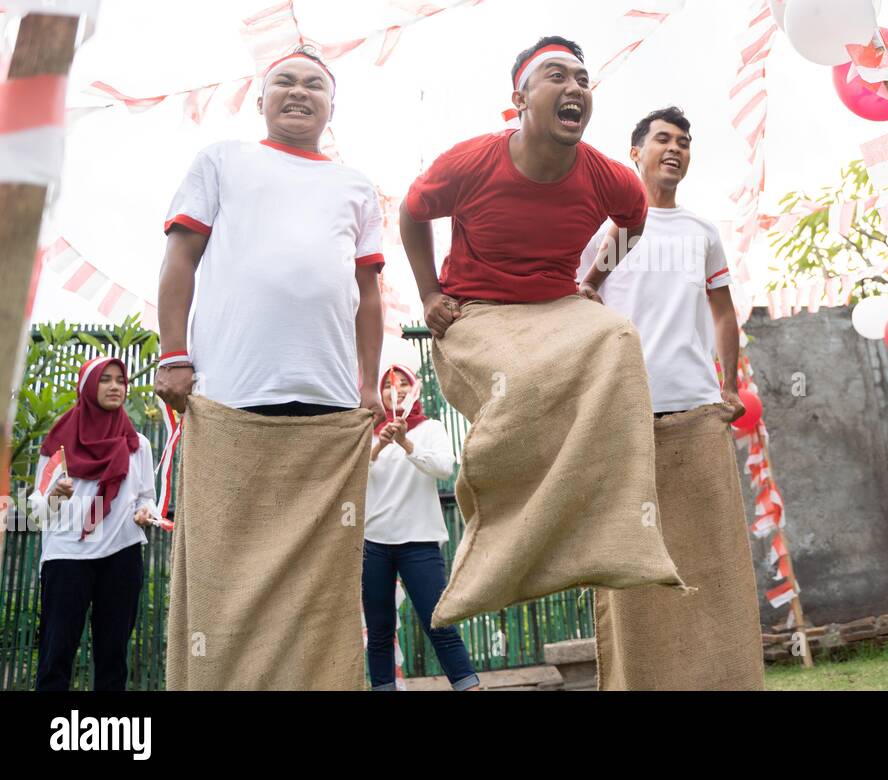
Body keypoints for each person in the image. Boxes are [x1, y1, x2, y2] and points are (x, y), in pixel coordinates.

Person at [398, 35, 683, 629]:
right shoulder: (471, 161)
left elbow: (633, 223)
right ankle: (501, 546)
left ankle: (608, 529)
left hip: (557, 303)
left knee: (618, 340)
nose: (575, 88)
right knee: (520, 383)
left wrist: (595, 281)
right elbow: (412, 212)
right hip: (475, 309)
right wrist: (429, 294)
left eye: (583, 80)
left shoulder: (611, 179)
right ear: (520, 98)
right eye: (557, 76)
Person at [154, 46, 385, 690]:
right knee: (225, 568)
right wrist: (174, 354)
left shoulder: (356, 186)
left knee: (322, 581)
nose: (299, 91)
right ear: (261, 99)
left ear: (331, 106)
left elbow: (369, 294)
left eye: (315, 84)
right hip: (232, 394)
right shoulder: (223, 161)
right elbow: (181, 258)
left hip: (331, 406)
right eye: (283, 80)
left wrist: (368, 386)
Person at [579, 106, 765, 690]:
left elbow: (723, 312)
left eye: (684, 141)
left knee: (710, 554)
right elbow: (581, 299)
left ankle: (719, 675)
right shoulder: (613, 231)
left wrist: (729, 386)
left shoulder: (701, 231)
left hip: (694, 411)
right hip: (624, 413)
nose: (675, 149)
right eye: (662, 139)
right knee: (630, 555)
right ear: (635, 152)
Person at [28, 356, 161, 691]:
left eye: (120, 379)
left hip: (121, 554)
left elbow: (146, 495)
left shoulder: (137, 444)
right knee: (55, 655)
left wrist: (145, 513)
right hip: (67, 556)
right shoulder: (58, 442)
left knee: (113, 657)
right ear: (88, 386)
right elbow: (37, 513)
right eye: (105, 379)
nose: (115, 386)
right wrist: (57, 494)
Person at [362, 364, 479, 691]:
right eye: (387, 385)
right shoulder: (366, 432)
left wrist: (406, 444)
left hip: (420, 542)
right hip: (374, 543)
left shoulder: (431, 428)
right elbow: (353, 481)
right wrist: (381, 444)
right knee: (380, 629)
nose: (395, 390)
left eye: (402, 384)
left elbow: (444, 468)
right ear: (377, 393)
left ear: (415, 390)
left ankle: (469, 686)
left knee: (439, 623)